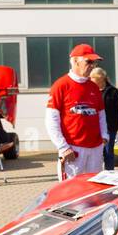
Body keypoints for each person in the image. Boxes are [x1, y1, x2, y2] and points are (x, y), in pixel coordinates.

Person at [46, 44, 108, 179]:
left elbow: (101, 115)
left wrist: (104, 136)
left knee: (95, 190)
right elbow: (51, 120)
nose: (93, 65)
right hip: (73, 150)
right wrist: (63, 147)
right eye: (89, 61)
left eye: (94, 62)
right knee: (70, 193)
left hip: (95, 149)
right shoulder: (60, 85)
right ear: (75, 61)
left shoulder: (93, 87)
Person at [91, 66, 118, 169]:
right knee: (96, 153)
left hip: (110, 127)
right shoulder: (91, 92)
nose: (94, 84)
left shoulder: (113, 92)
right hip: (95, 128)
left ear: (102, 79)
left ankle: (109, 173)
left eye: (96, 81)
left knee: (108, 152)